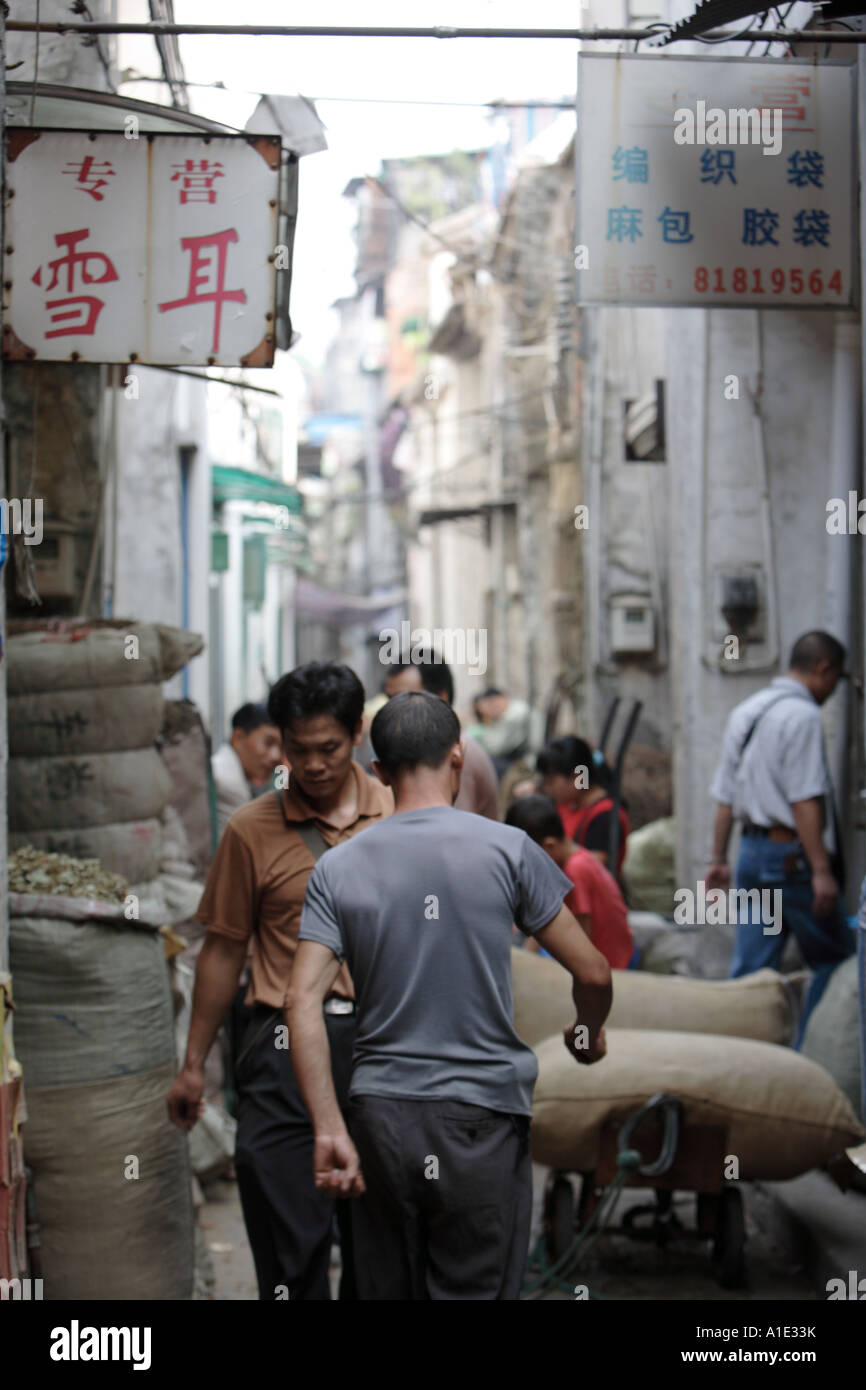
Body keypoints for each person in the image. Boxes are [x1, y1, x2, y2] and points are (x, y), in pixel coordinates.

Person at [289, 689, 612, 1300]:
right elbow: (593, 973)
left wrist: (328, 1126)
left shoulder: (337, 867)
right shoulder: (510, 849)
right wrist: (585, 1032)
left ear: (378, 771)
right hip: (482, 1119)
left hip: (379, 1115)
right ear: (458, 757)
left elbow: (299, 1001)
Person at [167, 662, 393, 1300]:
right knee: (291, 1254)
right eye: (298, 750)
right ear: (280, 743)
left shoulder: (400, 813)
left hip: (384, 1050)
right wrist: (192, 1064)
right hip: (280, 1053)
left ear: (357, 736)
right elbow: (222, 951)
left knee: (383, 1253)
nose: (315, 765)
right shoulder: (251, 830)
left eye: (330, 748)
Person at [706, 631, 855, 1045]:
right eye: (835, 679)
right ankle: (811, 1055)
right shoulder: (803, 716)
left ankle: (737, 1059)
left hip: (751, 853)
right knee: (837, 959)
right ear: (824, 670)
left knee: (751, 972)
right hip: (790, 855)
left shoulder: (747, 711)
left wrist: (717, 858)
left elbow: (724, 797)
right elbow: (804, 800)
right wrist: (821, 870)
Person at [505, 794, 636, 969]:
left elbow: (581, 943)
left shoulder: (576, 871)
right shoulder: (578, 858)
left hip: (609, 962)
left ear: (549, 846)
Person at [384, 651, 499, 819]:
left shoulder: (455, 753)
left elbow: (454, 832)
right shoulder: (427, 749)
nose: (394, 710)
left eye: (405, 699)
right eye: (390, 700)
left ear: (440, 697)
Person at [537, 734, 630, 876]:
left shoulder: (605, 815)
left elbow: (592, 869)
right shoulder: (570, 805)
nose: (547, 788)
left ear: (578, 776)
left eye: (551, 781)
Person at [211, 703, 283, 838]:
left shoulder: (233, 775)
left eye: (282, 747)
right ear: (238, 738)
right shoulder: (225, 782)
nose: (276, 756)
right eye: (268, 742)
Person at [468, 687, 545, 780]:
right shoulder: (513, 711)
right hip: (523, 758)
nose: (492, 709)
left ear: (501, 699)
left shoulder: (514, 714)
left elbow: (497, 748)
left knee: (487, 765)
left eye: (492, 704)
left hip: (528, 761)